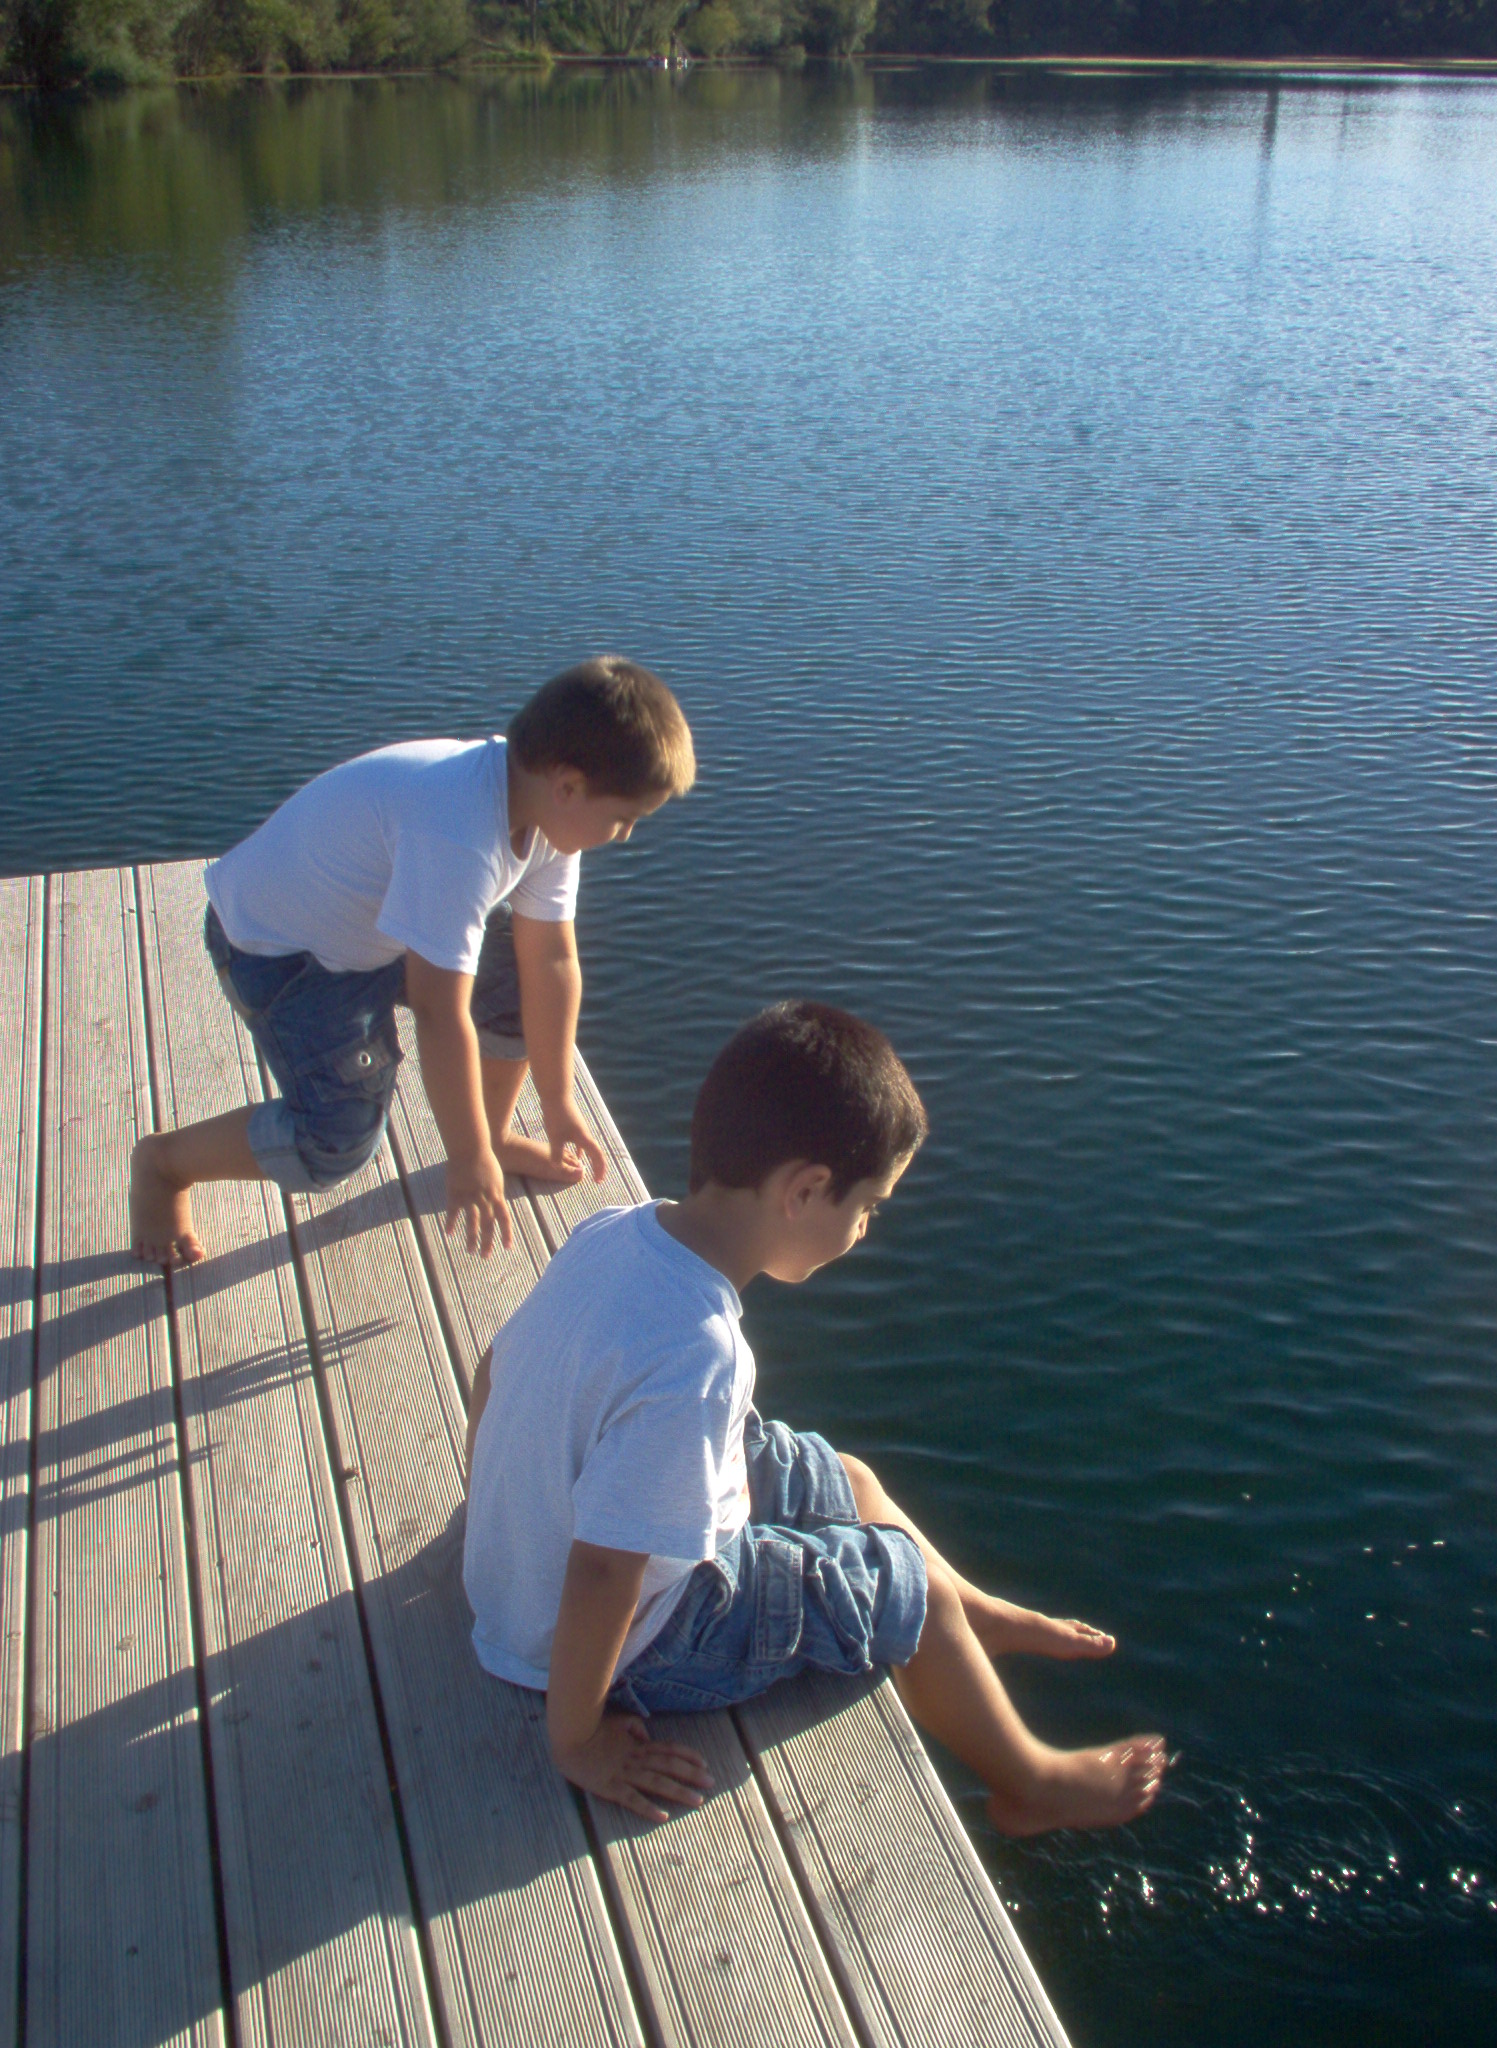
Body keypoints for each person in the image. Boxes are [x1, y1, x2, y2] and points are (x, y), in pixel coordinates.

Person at [463, 999, 1168, 1833]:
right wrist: (578, 1741)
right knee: (905, 1588)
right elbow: (604, 1573)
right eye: (868, 1207)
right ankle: (1033, 1782)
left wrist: (508, 1516)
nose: (866, 1230)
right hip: (629, 1642)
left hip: (521, 1587)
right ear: (804, 1192)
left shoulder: (613, 1231)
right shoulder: (699, 1355)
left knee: (850, 1480)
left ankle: (974, 1615)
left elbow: (490, 1375)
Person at [129, 656, 694, 1268]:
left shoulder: (545, 811)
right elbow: (438, 1011)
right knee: (337, 1139)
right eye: (624, 818)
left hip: (370, 930)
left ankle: (496, 1132)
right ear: (569, 786)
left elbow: (552, 959)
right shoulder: (457, 833)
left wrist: (557, 1103)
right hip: (282, 954)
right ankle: (165, 1164)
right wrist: (465, 1156)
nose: (626, 834)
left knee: (514, 975)